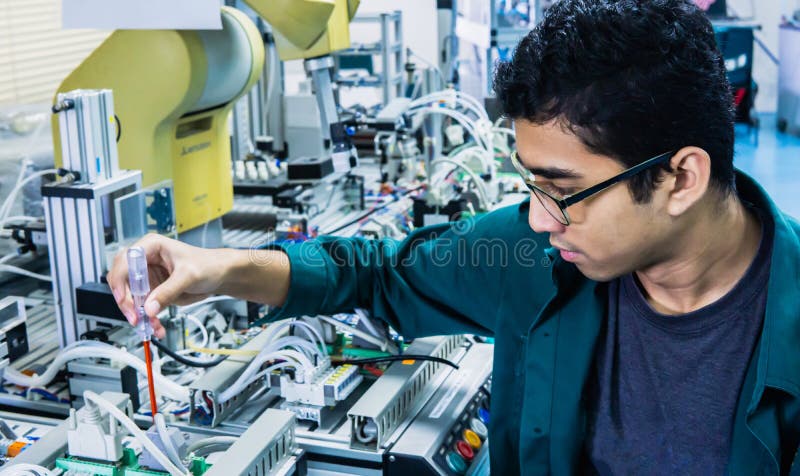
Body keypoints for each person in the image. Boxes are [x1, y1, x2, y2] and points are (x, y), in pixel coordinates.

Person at [107, 0, 800, 474]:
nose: (536, 219)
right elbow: (376, 271)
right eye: (529, 183)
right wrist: (218, 266)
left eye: (563, 190)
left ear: (681, 179)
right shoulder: (534, 257)